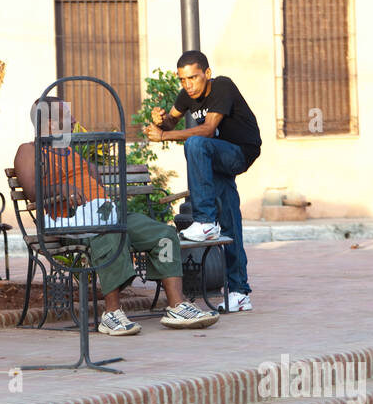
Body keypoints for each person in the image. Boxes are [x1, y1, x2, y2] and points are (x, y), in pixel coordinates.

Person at [14, 96, 219, 335]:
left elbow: (95, 182)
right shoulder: (29, 151)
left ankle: (176, 306)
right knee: (110, 233)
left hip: (105, 212)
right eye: (67, 116)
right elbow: (31, 192)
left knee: (163, 233)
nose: (74, 120)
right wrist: (61, 189)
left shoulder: (70, 150)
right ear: (49, 123)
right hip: (71, 221)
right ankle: (111, 313)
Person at [144, 50, 259, 313]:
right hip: (215, 157)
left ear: (206, 73)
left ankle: (205, 221)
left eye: (194, 78)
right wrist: (161, 121)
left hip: (240, 151)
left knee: (196, 143)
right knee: (230, 221)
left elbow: (207, 129)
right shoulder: (186, 94)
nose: (188, 85)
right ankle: (240, 292)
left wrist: (163, 136)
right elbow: (172, 120)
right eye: (183, 80)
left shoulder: (222, 86)